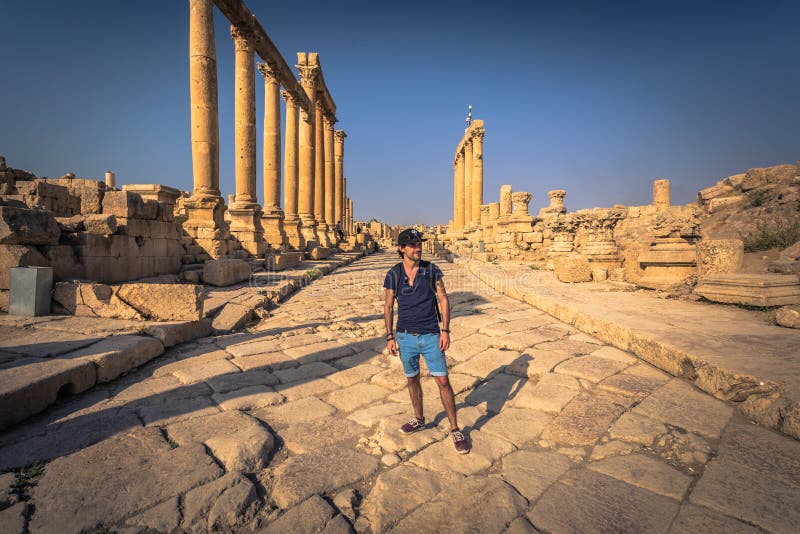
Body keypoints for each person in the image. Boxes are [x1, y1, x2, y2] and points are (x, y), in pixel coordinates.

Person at [383, 228, 470, 454]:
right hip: (405, 336)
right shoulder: (393, 274)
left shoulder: (431, 270)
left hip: (431, 334)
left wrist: (446, 330)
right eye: (412, 245)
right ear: (402, 249)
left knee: (442, 381)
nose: (418, 247)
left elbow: (442, 298)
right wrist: (390, 336)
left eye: (419, 243)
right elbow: (388, 306)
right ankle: (419, 418)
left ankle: (455, 428)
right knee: (412, 380)